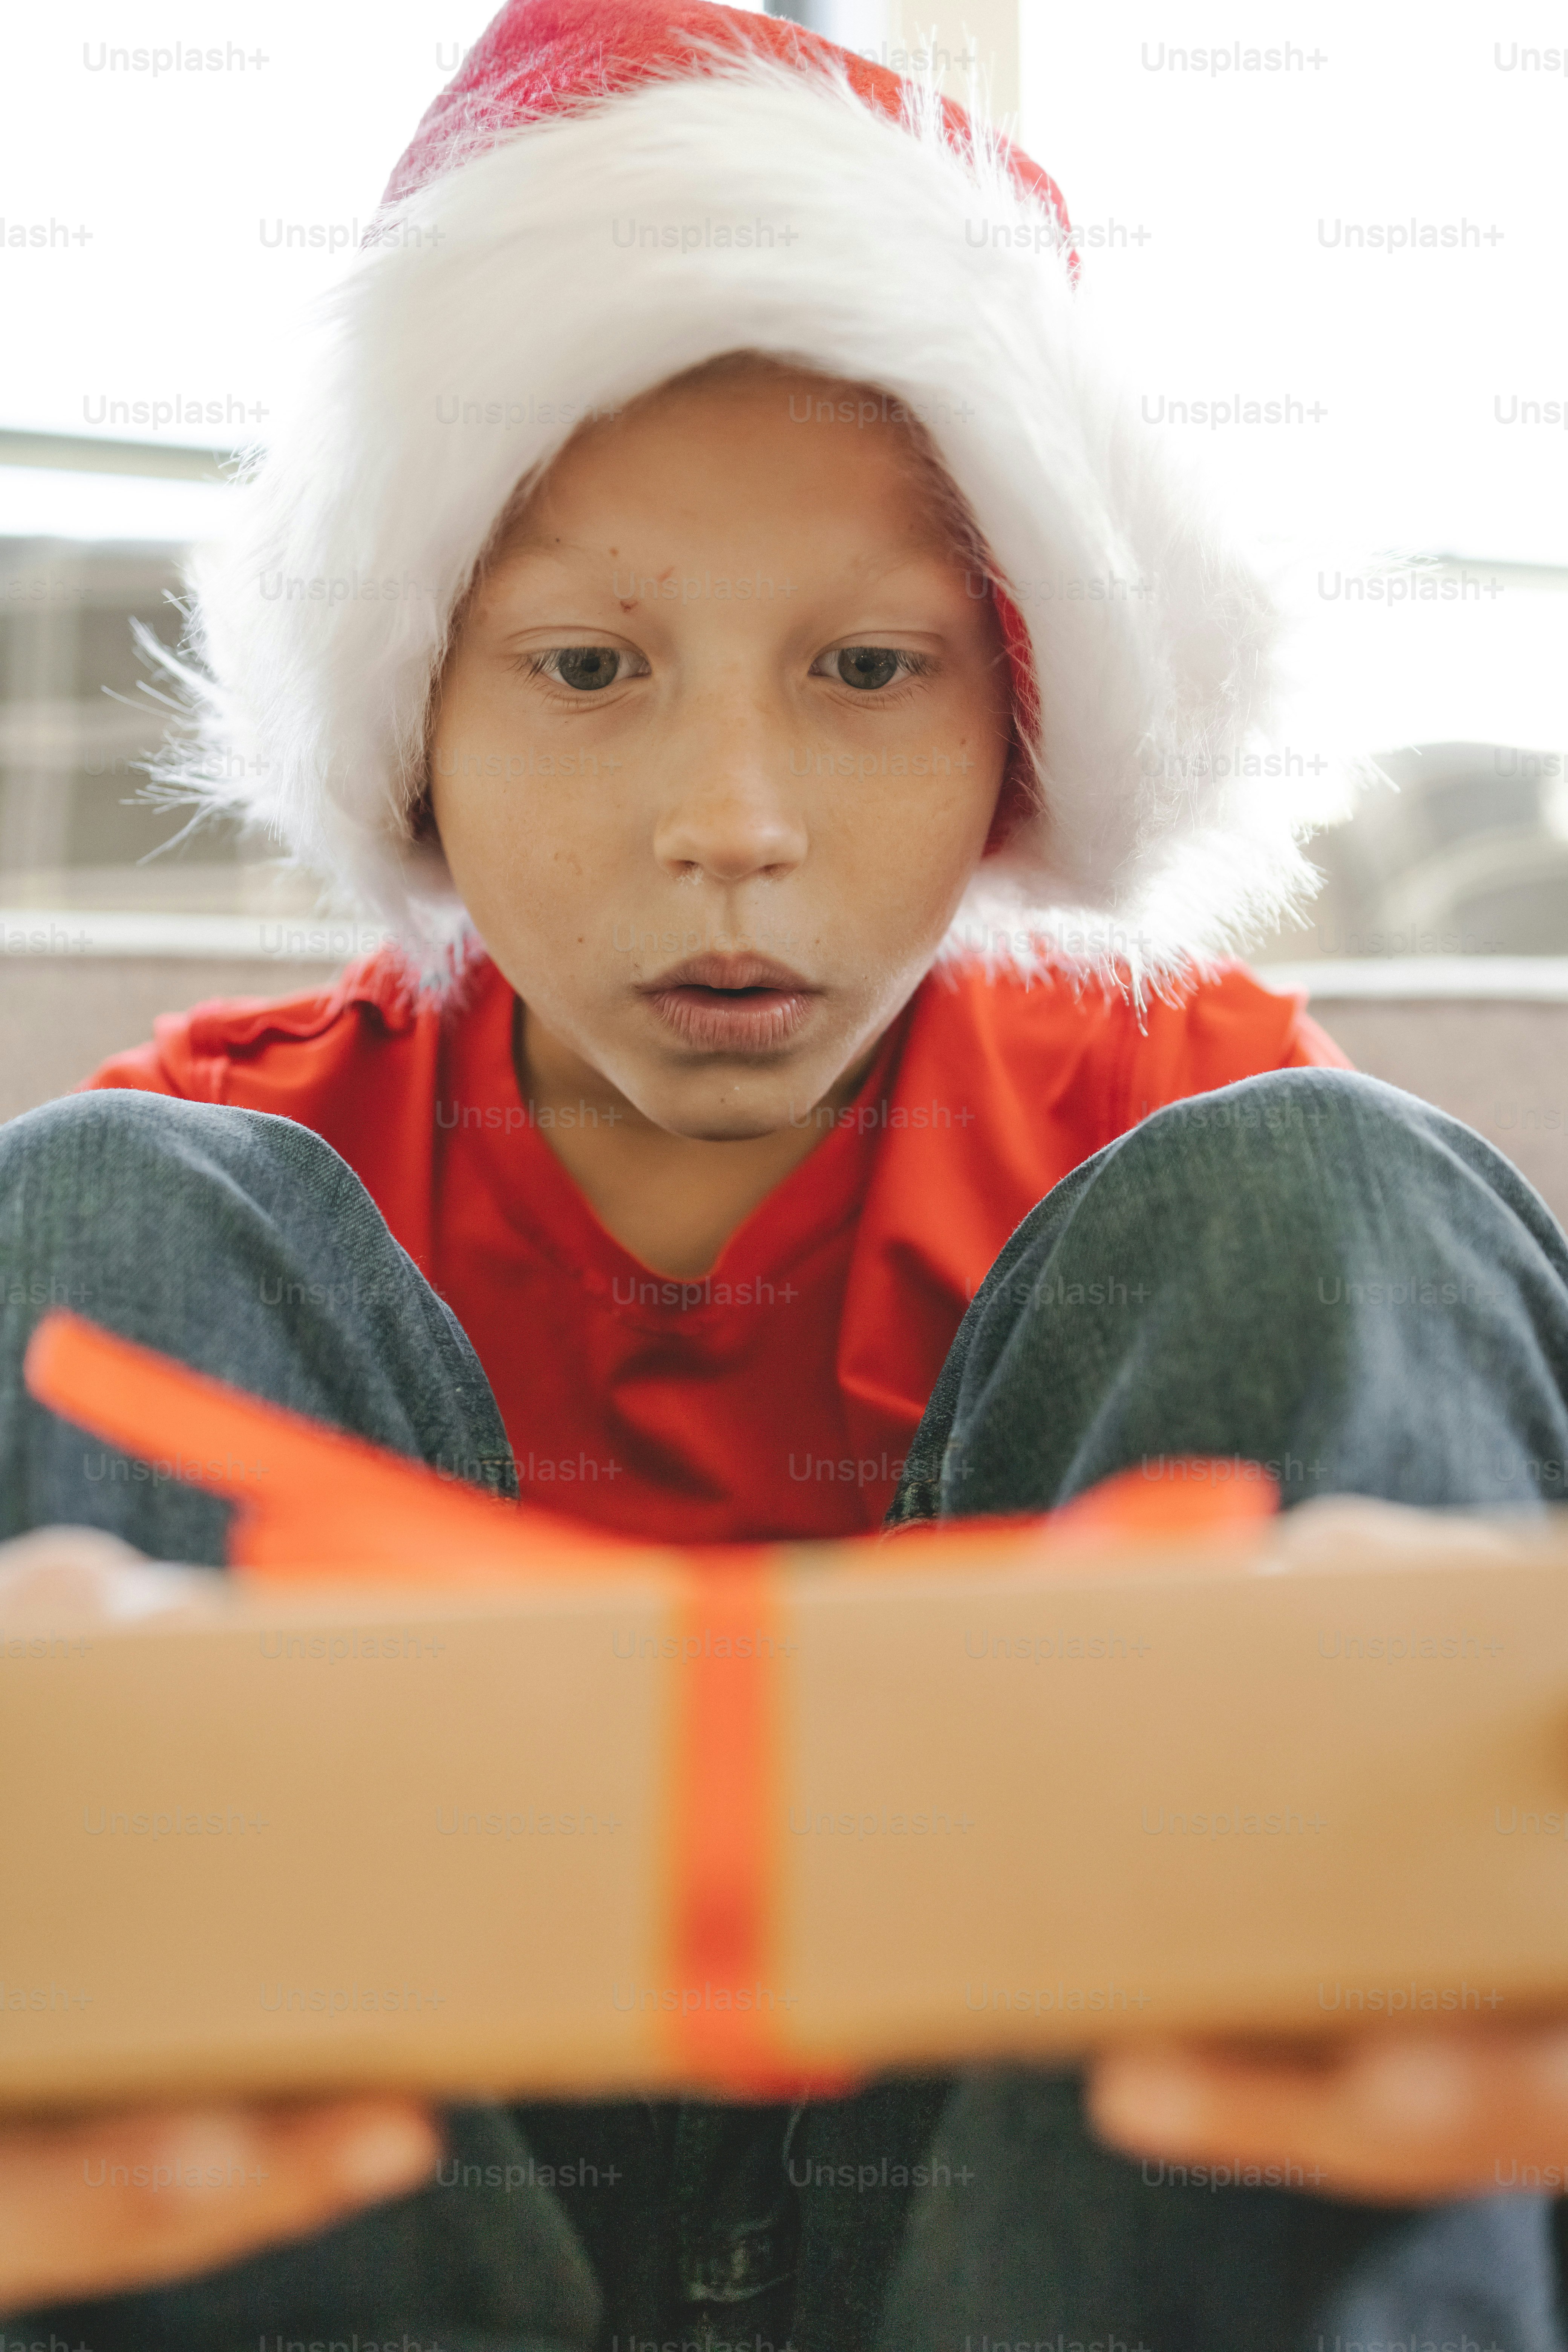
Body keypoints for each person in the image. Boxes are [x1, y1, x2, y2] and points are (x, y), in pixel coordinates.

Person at [3, 1, 1568, 2344]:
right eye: (585, 668)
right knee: (89, 1214)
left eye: (863, 672)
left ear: (1021, 725)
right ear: (409, 724)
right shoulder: (217, 1187)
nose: (728, 823)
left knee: (1337, 1193)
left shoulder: (1201, 1133)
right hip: (362, 2210)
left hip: (1083, 2218)